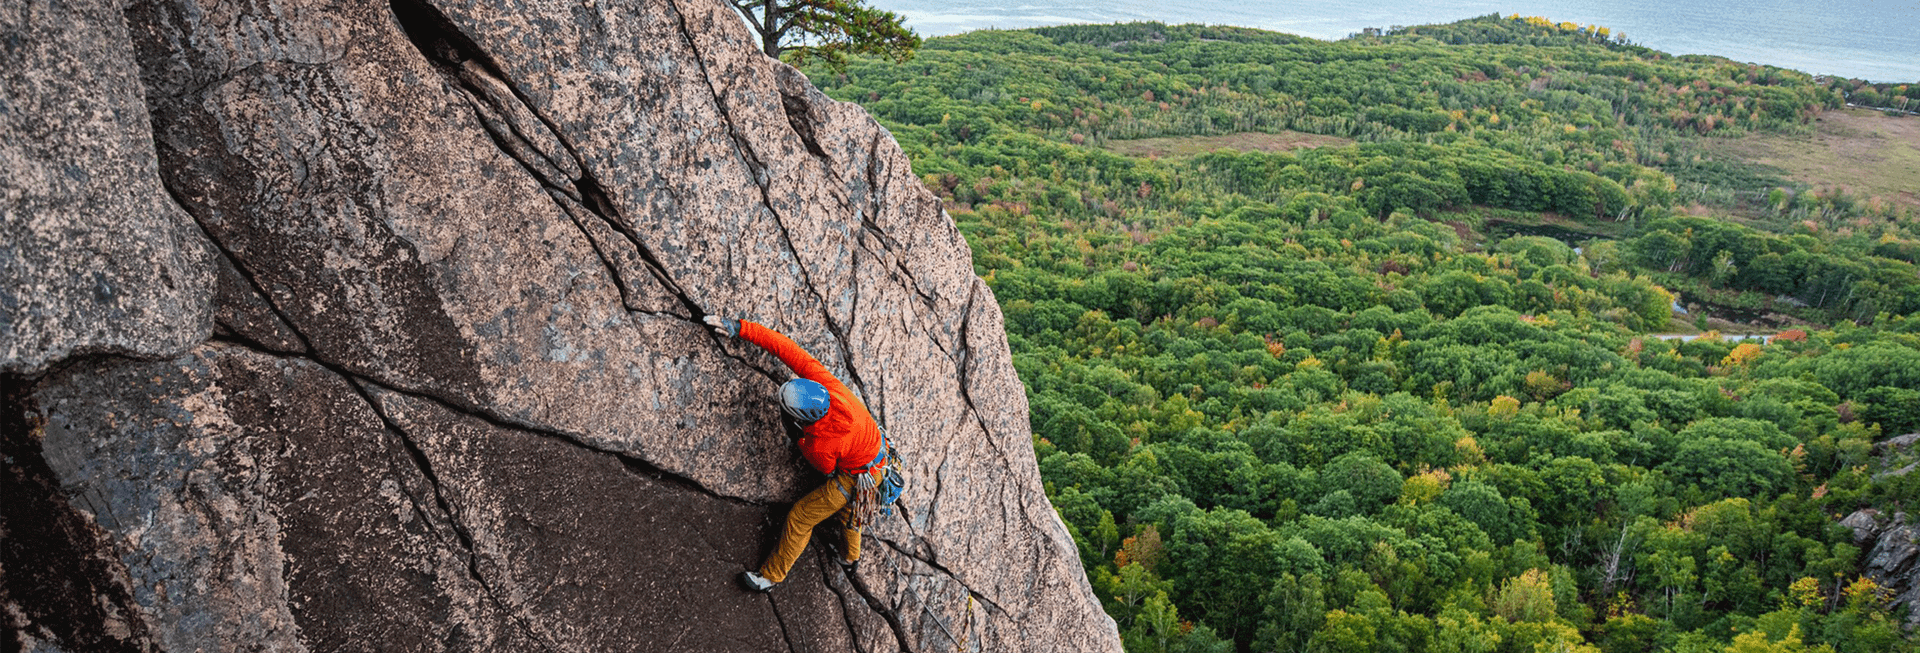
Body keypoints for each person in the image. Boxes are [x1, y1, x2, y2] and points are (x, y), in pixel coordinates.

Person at [703, 314, 888, 592]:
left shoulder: (821, 443)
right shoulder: (830, 388)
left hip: (855, 476)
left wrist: (798, 436)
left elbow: (826, 469)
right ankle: (851, 557)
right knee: (852, 515)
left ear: (803, 419)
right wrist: (740, 328)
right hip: (878, 455)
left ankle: (771, 577)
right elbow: (786, 348)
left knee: (801, 517)